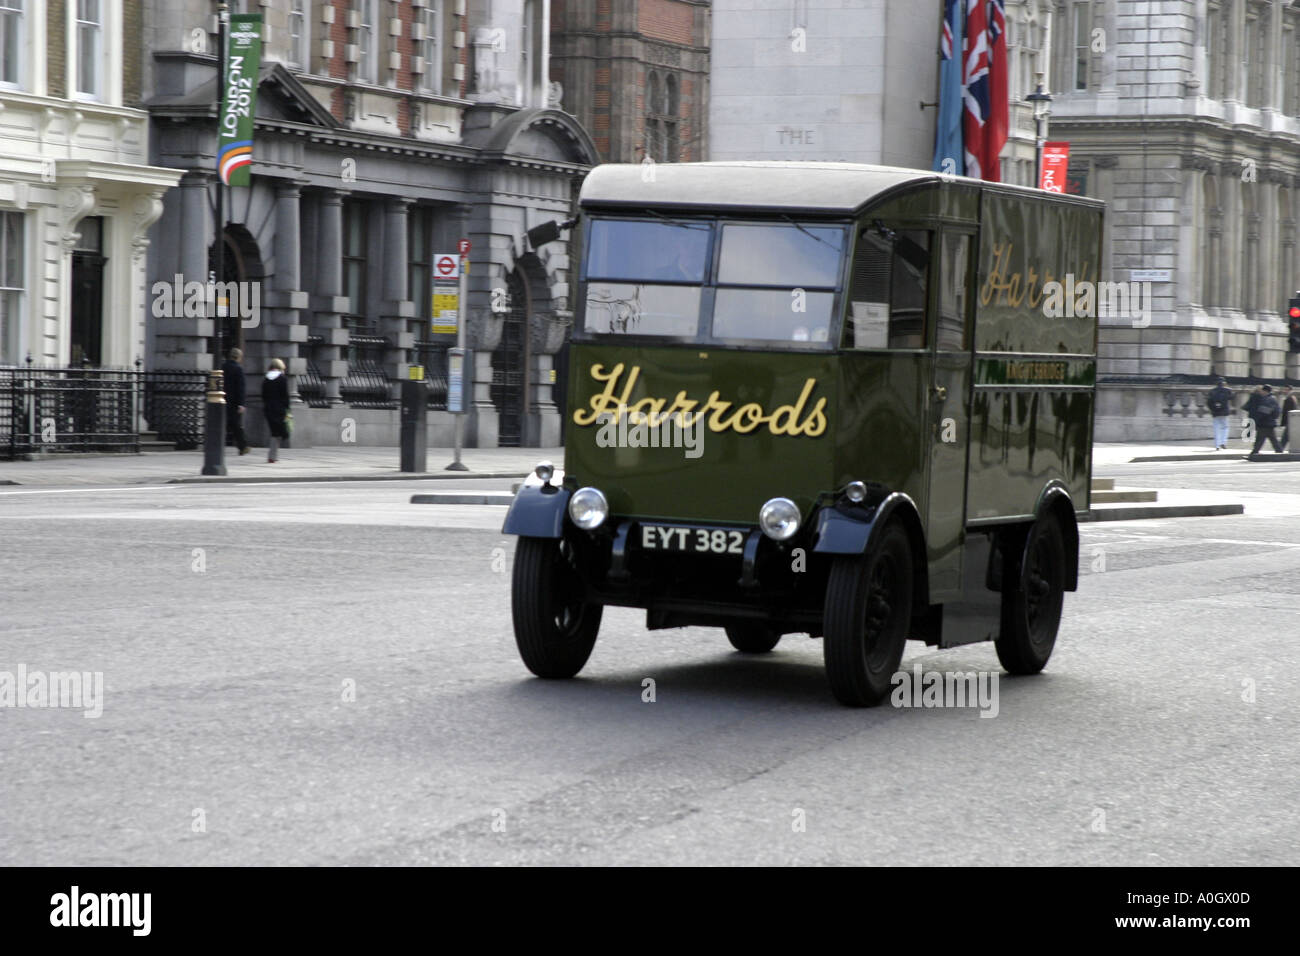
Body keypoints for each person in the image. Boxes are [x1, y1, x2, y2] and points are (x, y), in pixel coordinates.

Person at [220, 347, 249, 455]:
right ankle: (243, 446)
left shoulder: (223, 366)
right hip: (234, 402)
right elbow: (240, 388)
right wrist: (241, 404)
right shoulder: (238, 369)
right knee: (236, 425)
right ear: (239, 357)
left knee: (224, 424)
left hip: (222, 399)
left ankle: (218, 444)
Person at [262, 358, 290, 463]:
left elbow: (263, 395)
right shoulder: (282, 378)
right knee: (277, 432)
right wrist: (287, 408)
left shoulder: (266, 379)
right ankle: (272, 456)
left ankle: (273, 456)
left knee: (274, 431)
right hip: (279, 409)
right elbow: (285, 395)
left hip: (268, 408)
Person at [1247, 384, 1283, 456]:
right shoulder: (1272, 399)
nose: (1261, 392)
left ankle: (1254, 453)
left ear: (1265, 391)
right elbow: (1277, 411)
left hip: (1265, 423)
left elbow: (1263, 412)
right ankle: (1279, 451)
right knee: (1272, 439)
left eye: (1262, 391)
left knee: (1260, 439)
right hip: (1269, 423)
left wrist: (1257, 420)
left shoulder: (1268, 399)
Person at [1206, 377, 1233, 450]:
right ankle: (1223, 442)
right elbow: (1231, 398)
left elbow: (1208, 402)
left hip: (1215, 412)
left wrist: (1212, 409)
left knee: (1216, 428)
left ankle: (1217, 445)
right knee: (1225, 427)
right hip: (1224, 412)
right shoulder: (1227, 390)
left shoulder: (1212, 391)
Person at [1280, 385, 1297, 451]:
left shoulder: (1289, 399)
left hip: (1289, 421)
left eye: (1286, 390)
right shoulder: (1292, 398)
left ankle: (1280, 449)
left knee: (1285, 436)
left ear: (1290, 391)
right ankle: (1280, 448)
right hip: (1291, 421)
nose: (1285, 391)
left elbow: (1287, 411)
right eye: (1284, 390)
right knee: (1287, 436)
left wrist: (1284, 422)